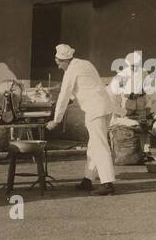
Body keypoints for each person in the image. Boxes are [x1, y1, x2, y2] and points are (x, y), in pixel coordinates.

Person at [45, 43, 116, 195]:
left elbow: (64, 95)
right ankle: (87, 180)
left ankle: (107, 183)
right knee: (93, 146)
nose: (58, 67)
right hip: (104, 107)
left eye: (59, 63)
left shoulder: (71, 70)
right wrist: (69, 101)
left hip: (95, 110)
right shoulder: (85, 63)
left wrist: (56, 120)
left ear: (65, 60)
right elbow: (85, 86)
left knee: (100, 146)